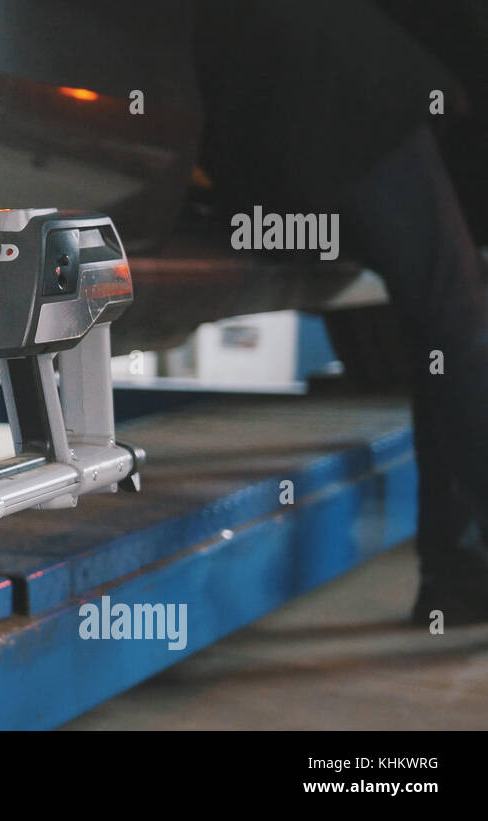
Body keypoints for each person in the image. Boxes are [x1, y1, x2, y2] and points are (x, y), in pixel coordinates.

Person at [193, 0, 488, 623]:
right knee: (458, 319)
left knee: (447, 321)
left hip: (305, 85)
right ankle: (457, 573)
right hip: (342, 90)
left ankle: (459, 575)